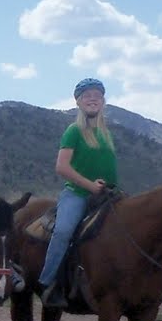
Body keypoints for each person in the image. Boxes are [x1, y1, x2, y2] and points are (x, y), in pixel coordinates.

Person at [38, 77, 119, 309]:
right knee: (63, 231)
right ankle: (48, 282)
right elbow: (62, 167)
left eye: (97, 95)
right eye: (87, 96)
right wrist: (90, 185)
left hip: (108, 194)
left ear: (103, 101)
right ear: (78, 103)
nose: (93, 98)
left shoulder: (106, 133)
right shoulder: (74, 130)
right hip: (78, 194)